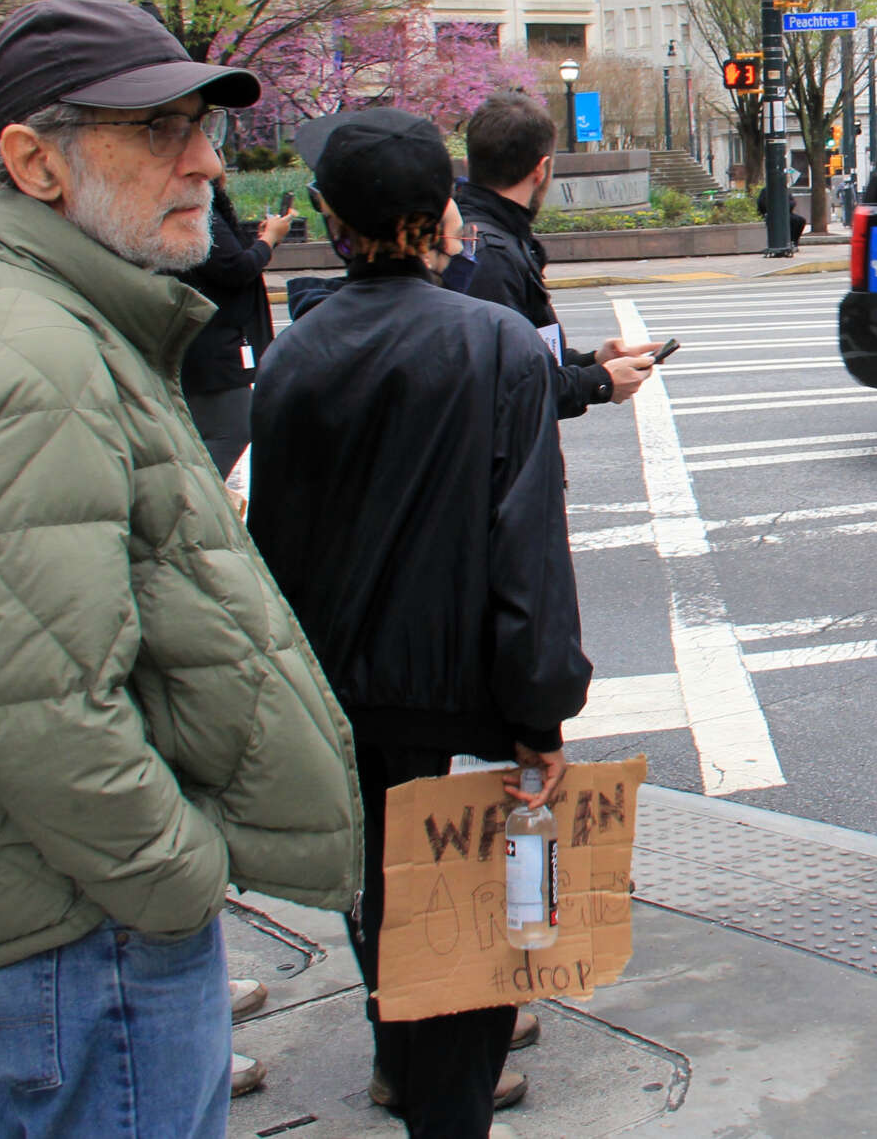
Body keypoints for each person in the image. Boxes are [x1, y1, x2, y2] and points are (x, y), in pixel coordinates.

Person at [0, 0, 363, 1139]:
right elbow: (34, 710)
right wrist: (175, 879)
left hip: (75, 912)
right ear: (34, 161)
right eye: (155, 131)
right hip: (91, 925)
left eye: (200, 126)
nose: (204, 161)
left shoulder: (46, 313)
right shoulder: (34, 355)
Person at [249, 108, 595, 1139]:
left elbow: (280, 544)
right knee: (493, 904)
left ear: (336, 222)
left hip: (342, 686)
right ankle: (449, 1093)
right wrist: (543, 710)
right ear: (439, 215)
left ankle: (399, 1053)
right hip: (471, 684)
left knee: (382, 887)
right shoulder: (492, 344)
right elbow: (525, 546)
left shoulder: (298, 354)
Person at [455, 90, 655, 414]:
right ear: (541, 169)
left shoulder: (488, 240)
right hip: (507, 461)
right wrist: (599, 381)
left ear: (468, 163)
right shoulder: (489, 254)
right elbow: (507, 389)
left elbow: (527, 360)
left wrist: (593, 362)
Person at [170, 179, 292, 475]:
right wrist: (268, 241)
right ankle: (195, 502)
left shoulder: (192, 212)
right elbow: (234, 268)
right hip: (214, 342)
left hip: (205, 339)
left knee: (211, 430)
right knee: (233, 428)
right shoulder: (201, 215)